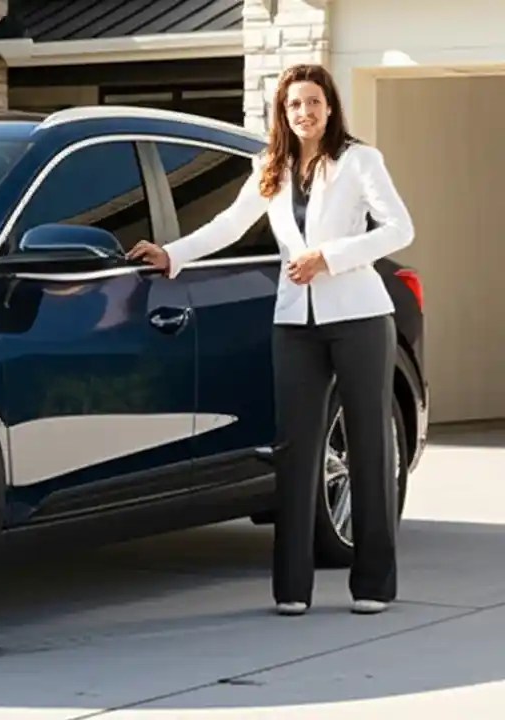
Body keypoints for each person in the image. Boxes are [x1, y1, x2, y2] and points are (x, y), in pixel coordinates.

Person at [128, 63, 415, 617]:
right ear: (281, 114)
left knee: (368, 448)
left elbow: (399, 229)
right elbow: (229, 225)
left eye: (312, 102)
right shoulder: (271, 166)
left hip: (359, 318)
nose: (304, 112)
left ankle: (373, 584)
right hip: (295, 323)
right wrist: (173, 255)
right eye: (293, 105)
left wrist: (328, 257)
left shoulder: (360, 161)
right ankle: (292, 587)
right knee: (295, 449)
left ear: (329, 107)